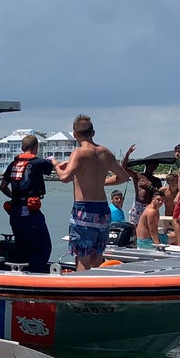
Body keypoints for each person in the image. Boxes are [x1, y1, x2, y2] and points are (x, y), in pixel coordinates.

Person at [54, 115, 129, 270]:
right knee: (97, 256)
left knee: (82, 257)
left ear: (75, 134)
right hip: (102, 210)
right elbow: (123, 177)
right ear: (93, 133)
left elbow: (65, 178)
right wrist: (100, 182)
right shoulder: (105, 152)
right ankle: (97, 289)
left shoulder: (79, 153)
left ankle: (82, 292)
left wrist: (55, 165)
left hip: (84, 209)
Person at [0, 134, 55, 273]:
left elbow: (2, 187)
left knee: (22, 247)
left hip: (15, 213)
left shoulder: (13, 164)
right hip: (31, 214)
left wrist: (15, 198)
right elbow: (52, 166)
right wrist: (53, 160)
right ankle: (36, 273)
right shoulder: (38, 163)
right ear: (36, 147)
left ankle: (21, 273)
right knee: (43, 247)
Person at [121, 144, 162, 226]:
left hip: (150, 206)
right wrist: (128, 154)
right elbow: (123, 168)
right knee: (135, 227)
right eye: (151, 165)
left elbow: (160, 194)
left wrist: (150, 187)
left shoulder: (156, 180)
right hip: (138, 205)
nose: (152, 167)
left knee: (148, 226)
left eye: (154, 165)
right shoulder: (138, 176)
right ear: (146, 165)